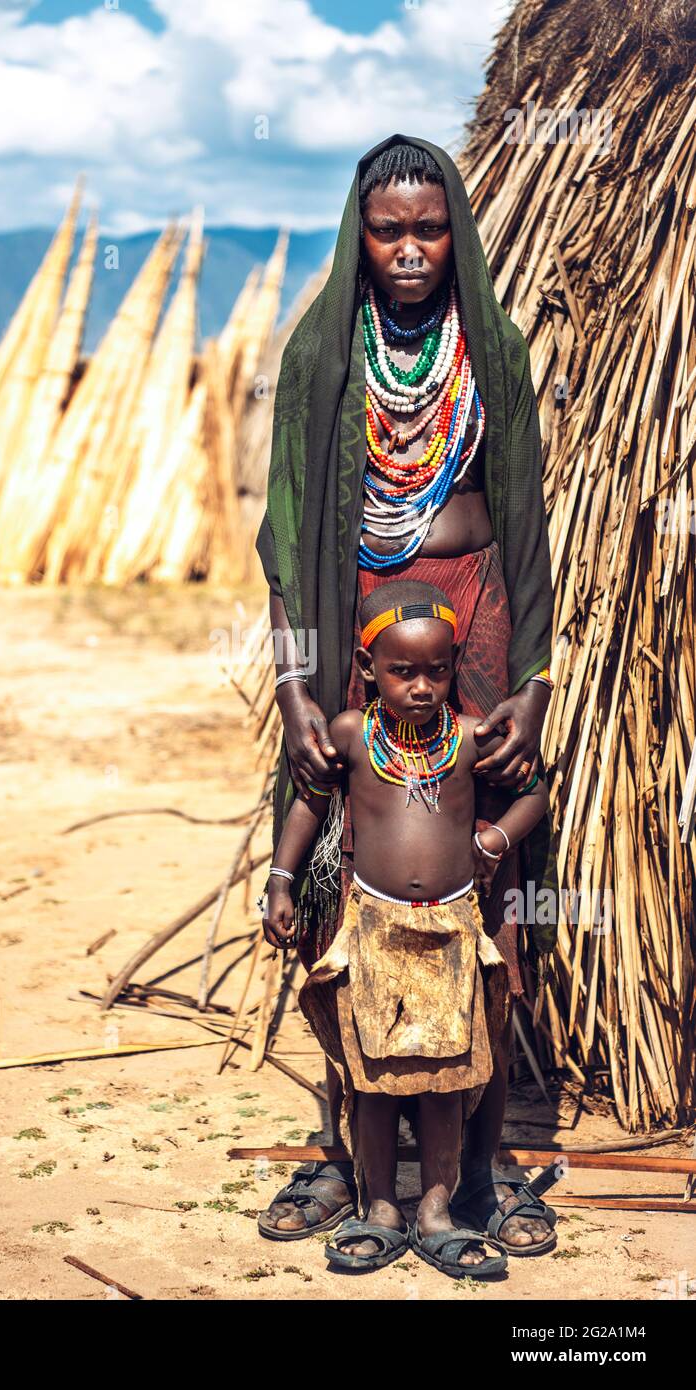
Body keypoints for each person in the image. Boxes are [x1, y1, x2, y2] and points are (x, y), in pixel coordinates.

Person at [255, 134, 559, 1254]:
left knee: (483, 877)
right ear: (358, 233)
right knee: (345, 887)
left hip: (473, 621)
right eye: (387, 229)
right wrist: (296, 687)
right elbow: (289, 533)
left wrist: (530, 681)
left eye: (428, 226)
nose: (409, 249)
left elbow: (527, 525)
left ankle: (475, 1169)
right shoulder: (317, 358)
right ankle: (351, 1159)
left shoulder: (495, 354)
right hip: (354, 634)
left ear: (456, 229)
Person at [259, 579, 552, 1274]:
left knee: (445, 1077)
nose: (423, 687)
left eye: (438, 670)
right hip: (371, 929)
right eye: (403, 671)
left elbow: (534, 793)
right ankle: (380, 1207)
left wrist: (494, 843)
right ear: (367, 669)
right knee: (373, 1077)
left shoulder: (471, 739)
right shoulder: (351, 735)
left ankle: (437, 1211)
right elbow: (308, 803)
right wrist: (279, 879)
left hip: (450, 931)